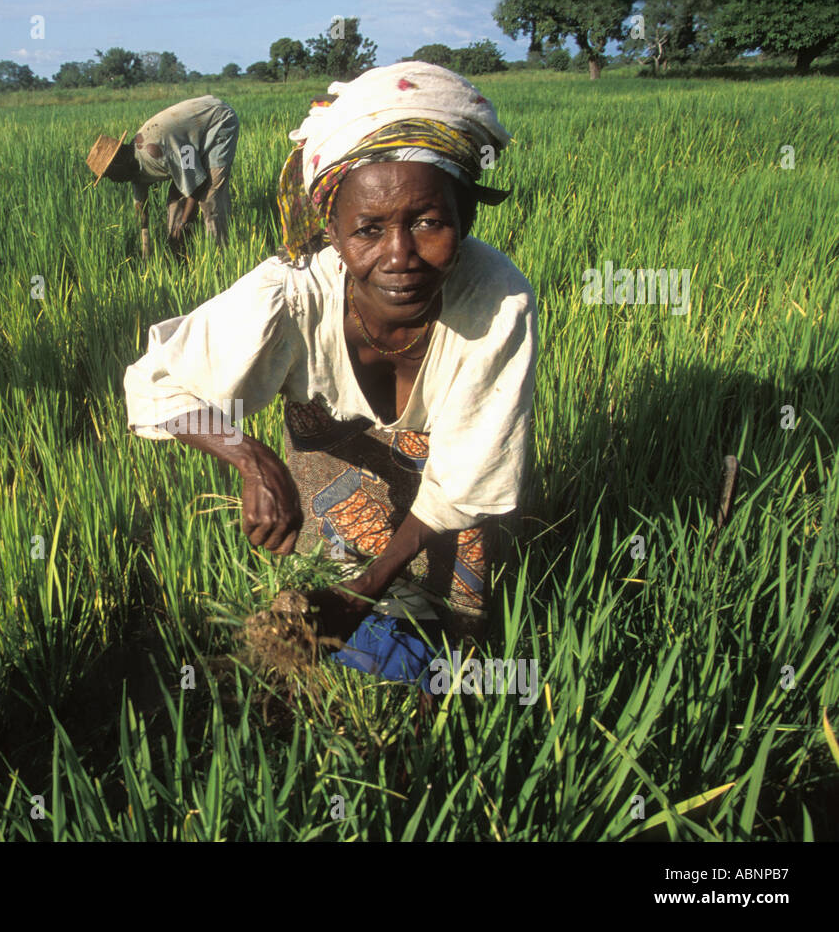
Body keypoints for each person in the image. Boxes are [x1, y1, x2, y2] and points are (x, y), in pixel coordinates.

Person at [123, 62, 537, 684]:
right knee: (336, 615)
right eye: (368, 229)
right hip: (338, 497)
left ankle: (429, 678)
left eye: (429, 222)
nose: (400, 256)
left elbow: (466, 481)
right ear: (333, 234)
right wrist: (251, 458)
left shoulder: (497, 301)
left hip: (446, 504)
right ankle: (360, 624)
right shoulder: (290, 295)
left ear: (467, 217)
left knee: (451, 656)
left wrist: (363, 594)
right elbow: (153, 383)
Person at [87, 95, 239, 257]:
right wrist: (145, 244)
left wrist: (184, 222)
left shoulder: (155, 151)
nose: (113, 181)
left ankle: (219, 256)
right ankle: (179, 254)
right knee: (177, 200)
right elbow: (141, 207)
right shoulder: (132, 166)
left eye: (110, 175)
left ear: (118, 163)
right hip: (189, 138)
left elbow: (197, 183)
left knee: (210, 197)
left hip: (218, 120)